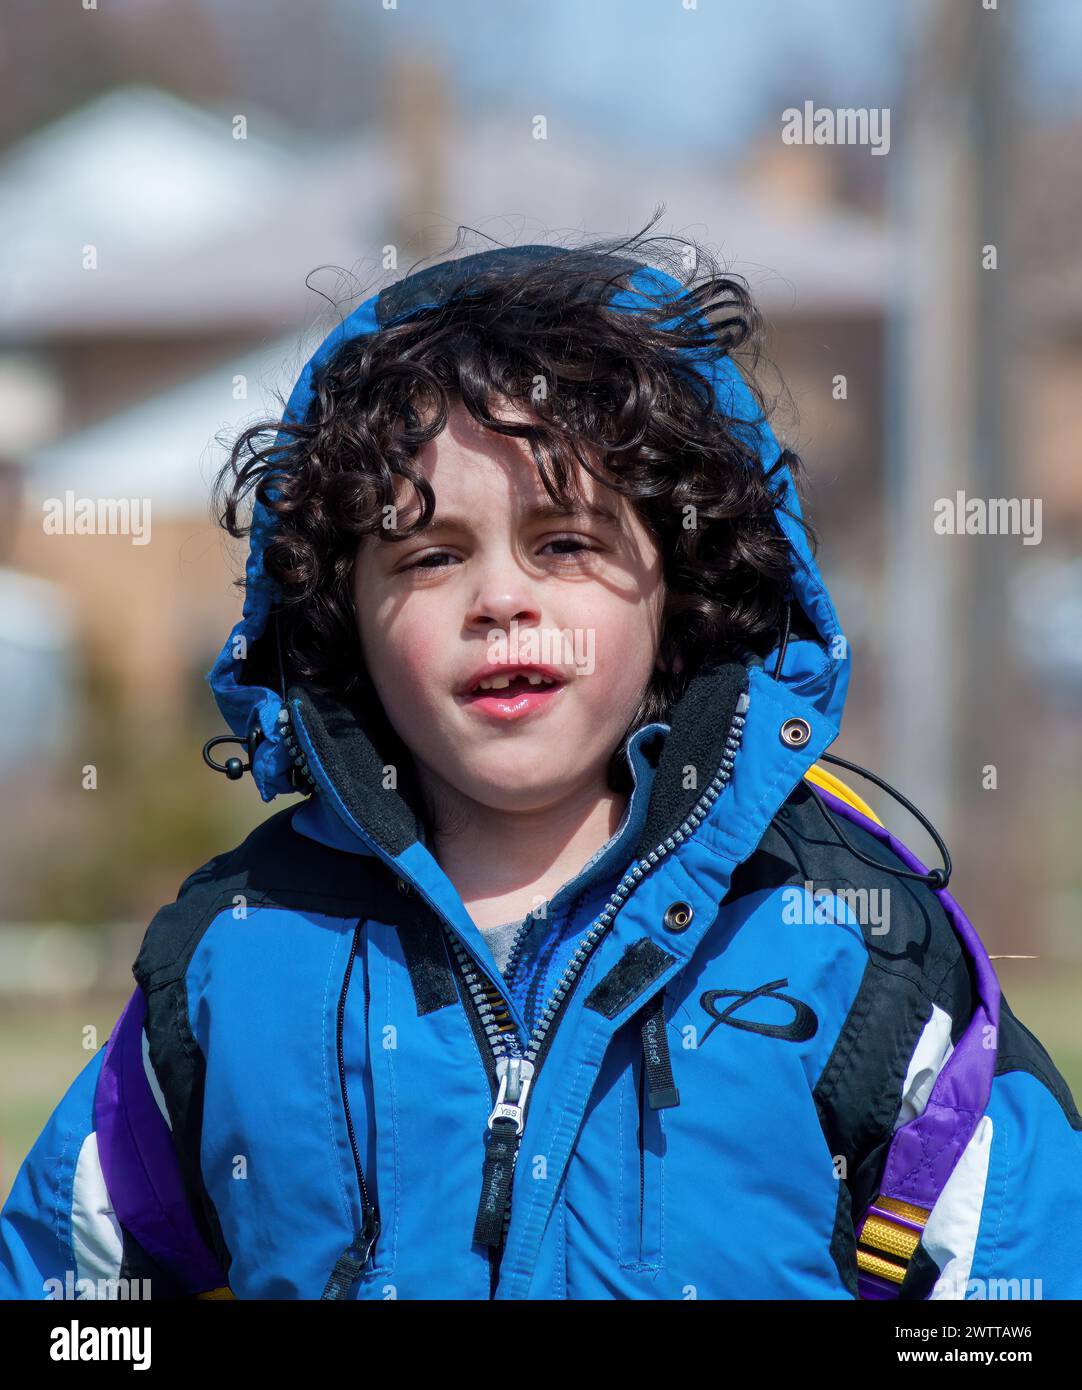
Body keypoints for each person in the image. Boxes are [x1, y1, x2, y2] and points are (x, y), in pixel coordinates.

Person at [3, 230, 1080, 1301]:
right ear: (343, 616)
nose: (501, 600)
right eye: (430, 555)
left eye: (564, 542)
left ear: (684, 584)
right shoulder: (235, 960)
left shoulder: (846, 938)